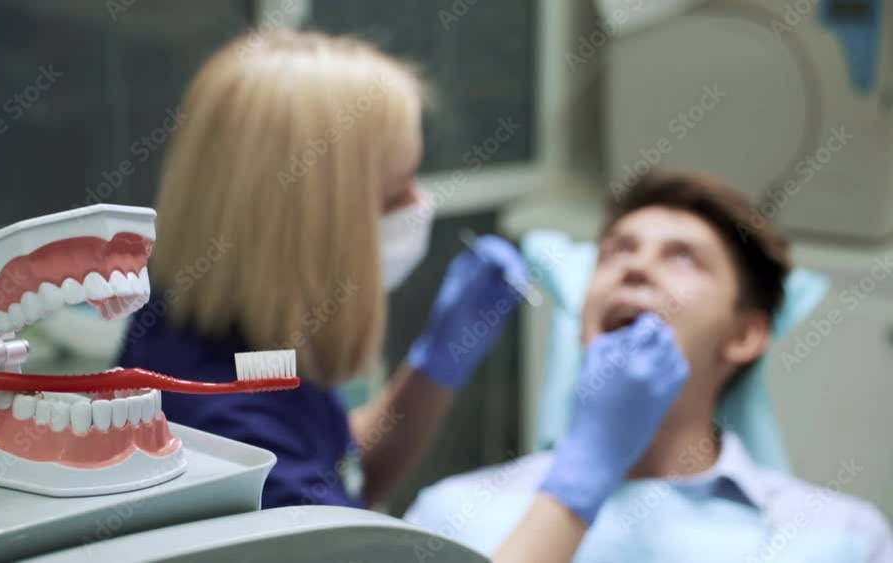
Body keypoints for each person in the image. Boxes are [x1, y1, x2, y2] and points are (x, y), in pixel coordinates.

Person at [116, 29, 528, 510]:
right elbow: (305, 490)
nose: (419, 205)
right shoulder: (237, 452)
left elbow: (333, 466)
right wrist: (576, 490)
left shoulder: (223, 336)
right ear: (309, 231)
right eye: (395, 194)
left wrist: (435, 367)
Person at [407, 171, 893, 562]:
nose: (635, 268)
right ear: (581, 317)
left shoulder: (840, 538)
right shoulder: (452, 513)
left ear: (746, 334)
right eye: (617, 251)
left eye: (684, 259)